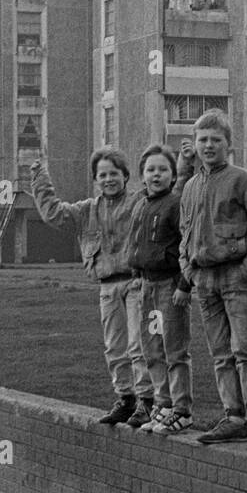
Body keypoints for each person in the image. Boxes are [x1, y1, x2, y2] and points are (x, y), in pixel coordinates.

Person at [30, 148, 154, 427]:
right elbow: (54, 214)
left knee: (138, 344)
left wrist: (184, 166)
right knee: (114, 347)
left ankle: (147, 400)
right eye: (102, 175)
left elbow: (169, 195)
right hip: (107, 288)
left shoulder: (139, 202)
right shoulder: (86, 210)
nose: (108, 179)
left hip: (136, 284)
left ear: (125, 175)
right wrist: (40, 179)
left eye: (114, 173)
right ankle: (125, 398)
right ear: (95, 179)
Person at [177, 108, 247, 449]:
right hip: (205, 283)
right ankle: (232, 416)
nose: (208, 146)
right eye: (202, 140)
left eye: (215, 140)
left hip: (235, 279)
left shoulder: (242, 180)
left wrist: (246, 270)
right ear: (194, 143)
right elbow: (184, 234)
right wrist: (188, 271)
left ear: (228, 145)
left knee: (245, 350)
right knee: (221, 355)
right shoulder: (190, 186)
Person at [126, 142, 196, 434]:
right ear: (142, 175)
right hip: (148, 288)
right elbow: (138, 243)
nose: (156, 175)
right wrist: (137, 273)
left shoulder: (175, 203)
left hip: (170, 288)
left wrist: (184, 284)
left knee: (175, 349)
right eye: (150, 169)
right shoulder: (142, 205)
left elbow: (188, 244)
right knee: (153, 348)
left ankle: (182, 410)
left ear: (172, 174)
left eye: (162, 169)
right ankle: (162, 404)